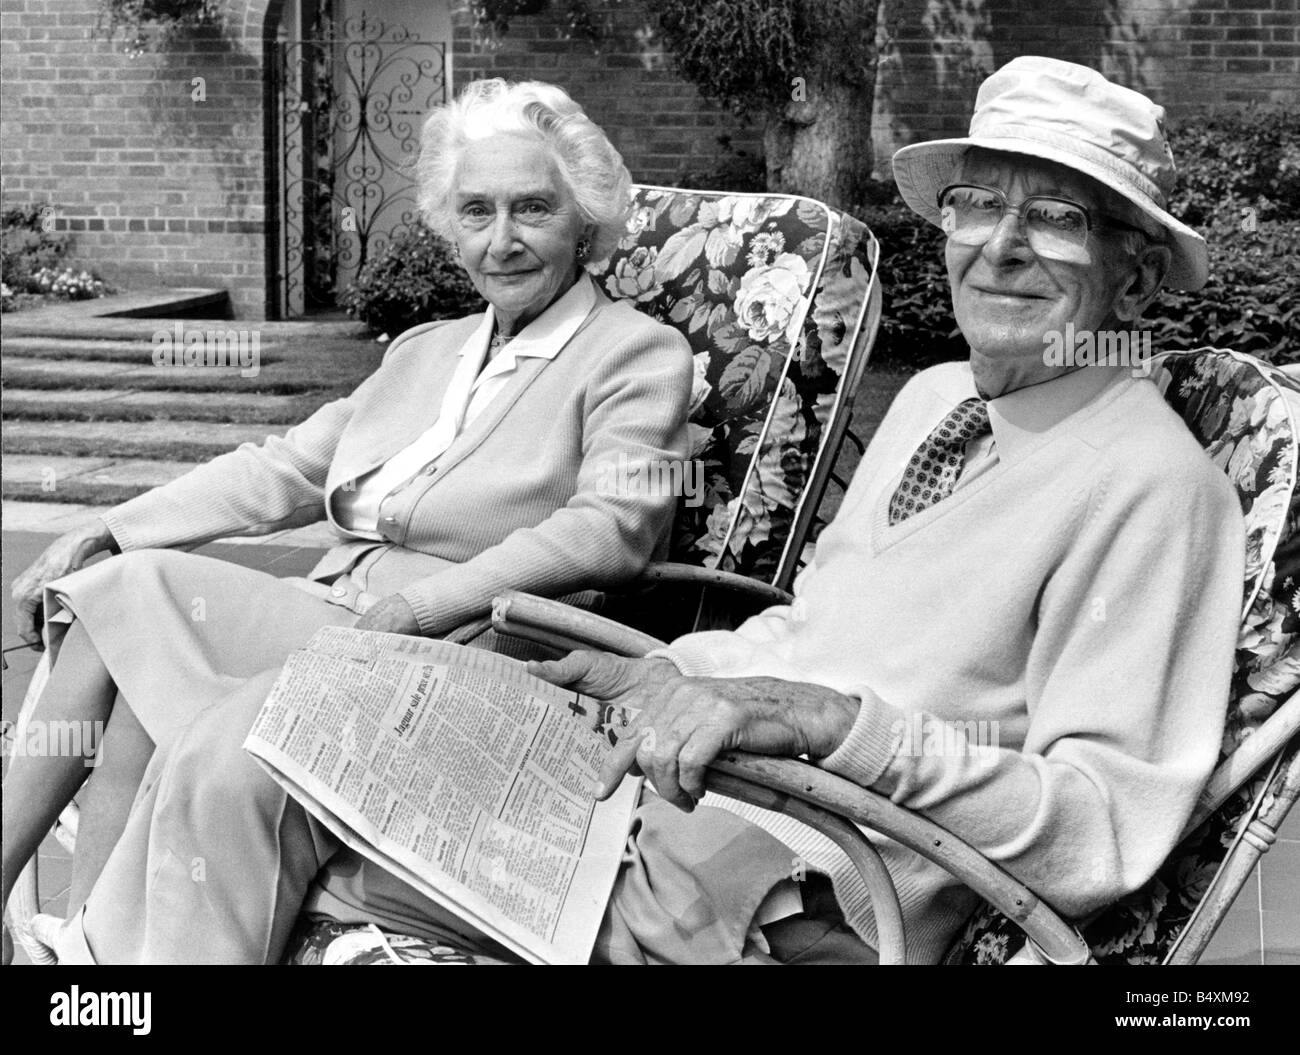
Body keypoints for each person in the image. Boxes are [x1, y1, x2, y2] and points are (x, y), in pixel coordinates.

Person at [522, 55, 1246, 964]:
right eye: (978, 203)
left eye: (1056, 219)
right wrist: (672, 669)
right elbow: (816, 629)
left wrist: (839, 725)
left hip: (802, 895)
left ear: (1136, 283)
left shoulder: (1155, 486)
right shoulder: (933, 397)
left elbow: (1098, 825)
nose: (1001, 245)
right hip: (684, 807)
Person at [2, 78, 692, 964]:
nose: (502, 239)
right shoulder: (424, 351)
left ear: (584, 222)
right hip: (336, 622)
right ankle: (86, 951)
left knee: (134, 638)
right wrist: (112, 524)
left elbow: (614, 528)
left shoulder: (634, 351)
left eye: (533, 209)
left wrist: (427, 605)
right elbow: (285, 466)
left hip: (465, 656)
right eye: (475, 211)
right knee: (120, 588)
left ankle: (88, 958)